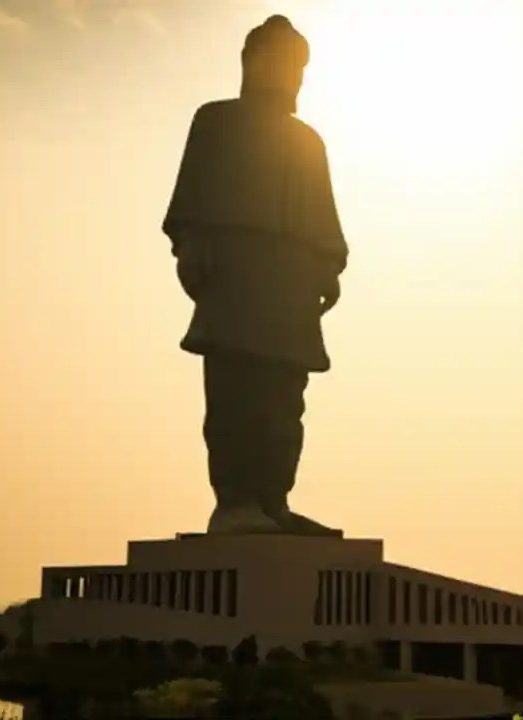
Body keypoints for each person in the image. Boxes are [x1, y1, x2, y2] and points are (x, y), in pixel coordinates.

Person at [163, 16, 347, 536]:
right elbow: (191, 200)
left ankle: (273, 499)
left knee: (285, 402)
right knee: (236, 394)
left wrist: (327, 266)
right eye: (278, 61)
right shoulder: (216, 122)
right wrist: (194, 249)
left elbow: (324, 217)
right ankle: (236, 500)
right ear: (250, 63)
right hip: (236, 278)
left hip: (291, 288)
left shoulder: (308, 143)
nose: (289, 75)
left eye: (296, 67)